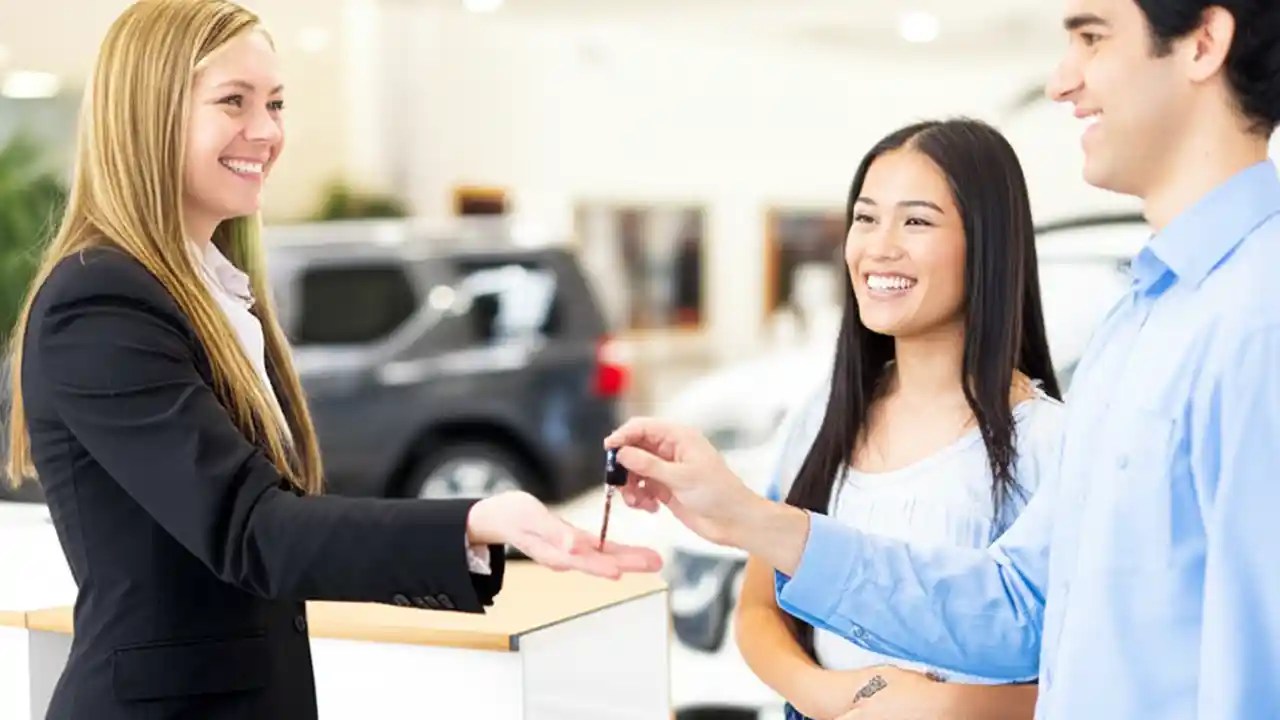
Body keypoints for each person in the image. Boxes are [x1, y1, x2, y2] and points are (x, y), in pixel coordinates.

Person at [608, 0, 1280, 717]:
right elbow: (1017, 605)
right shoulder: (1139, 325)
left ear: (1204, 43)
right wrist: (746, 517)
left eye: (1091, 36)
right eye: (866, 216)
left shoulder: (1257, 318)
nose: (1060, 82)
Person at [1, 2, 660, 718]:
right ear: (145, 114)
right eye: (234, 101)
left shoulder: (214, 291)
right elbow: (252, 529)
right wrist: (476, 520)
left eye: (276, 103)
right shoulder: (99, 300)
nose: (268, 131)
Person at [732, 119, 1064, 720]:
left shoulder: (1049, 443)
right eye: (865, 217)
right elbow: (758, 607)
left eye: (916, 220)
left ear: (988, 242)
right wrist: (837, 698)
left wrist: (935, 707)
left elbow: (1082, 671)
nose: (879, 246)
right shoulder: (822, 416)